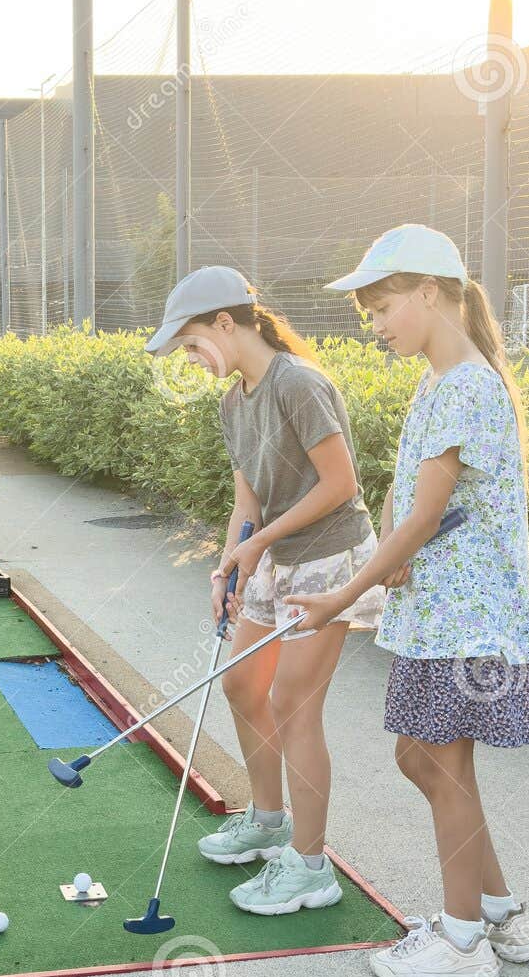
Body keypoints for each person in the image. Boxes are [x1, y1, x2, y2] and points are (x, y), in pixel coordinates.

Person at [286, 224, 529, 977]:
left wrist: (342, 596)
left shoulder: (465, 383)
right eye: (369, 313)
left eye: (384, 306)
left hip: (467, 620)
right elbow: (410, 495)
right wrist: (387, 553)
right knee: (424, 758)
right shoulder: (441, 382)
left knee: (439, 762)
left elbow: (427, 516)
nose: (376, 325)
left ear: (430, 294)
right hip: (443, 615)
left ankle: (463, 946)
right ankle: (500, 913)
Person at [143, 266, 385, 915]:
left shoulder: (299, 384)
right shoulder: (233, 402)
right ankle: (269, 820)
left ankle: (311, 866)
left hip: (327, 559)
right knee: (241, 685)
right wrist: (229, 564)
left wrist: (258, 543)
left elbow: (340, 485)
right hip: (274, 557)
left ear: (228, 323)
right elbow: (246, 499)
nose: (191, 360)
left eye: (193, 345)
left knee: (292, 703)